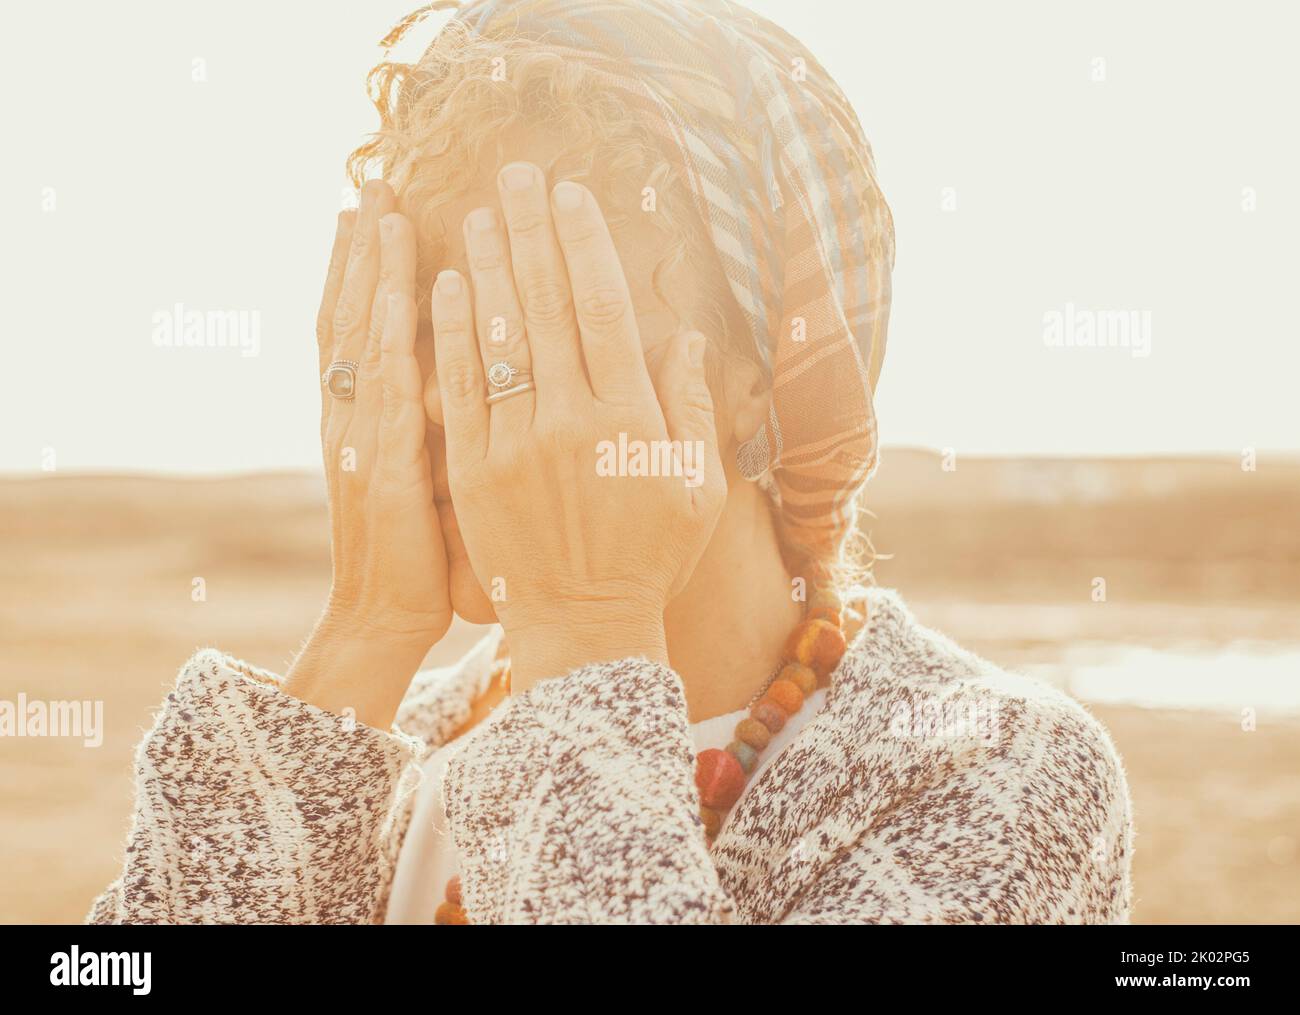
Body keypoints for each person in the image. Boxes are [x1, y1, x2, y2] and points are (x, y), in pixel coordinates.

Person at [88, 0, 1131, 925]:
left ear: (764, 380)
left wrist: (587, 619)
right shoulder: (391, 753)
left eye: (526, 332)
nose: (447, 398)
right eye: (416, 322)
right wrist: (363, 629)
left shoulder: (991, 768)